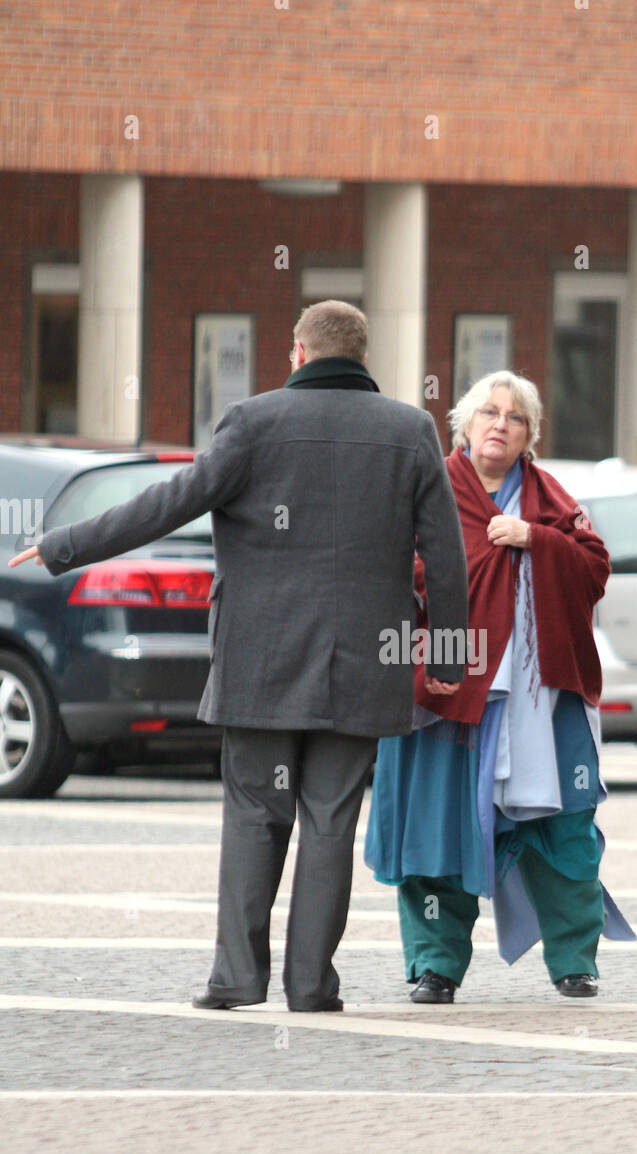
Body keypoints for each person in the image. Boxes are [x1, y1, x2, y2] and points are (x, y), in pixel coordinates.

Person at [10, 300, 468, 1012]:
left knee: (256, 812)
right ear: (362, 354)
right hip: (365, 663)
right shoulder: (409, 431)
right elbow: (446, 554)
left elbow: (169, 502)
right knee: (330, 820)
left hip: (263, 657)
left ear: (297, 352)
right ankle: (312, 986)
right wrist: (447, 654)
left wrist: (68, 545)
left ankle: (236, 979)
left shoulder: (254, 423)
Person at [365, 370, 633, 1004]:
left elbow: (594, 567)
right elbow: (388, 575)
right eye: (489, 412)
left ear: (529, 435)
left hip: (542, 701)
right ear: (463, 423)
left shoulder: (550, 499)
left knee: (564, 830)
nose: (500, 424)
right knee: (436, 827)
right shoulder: (431, 489)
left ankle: (575, 960)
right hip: (445, 693)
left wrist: (535, 540)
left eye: (515, 418)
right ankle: (434, 964)